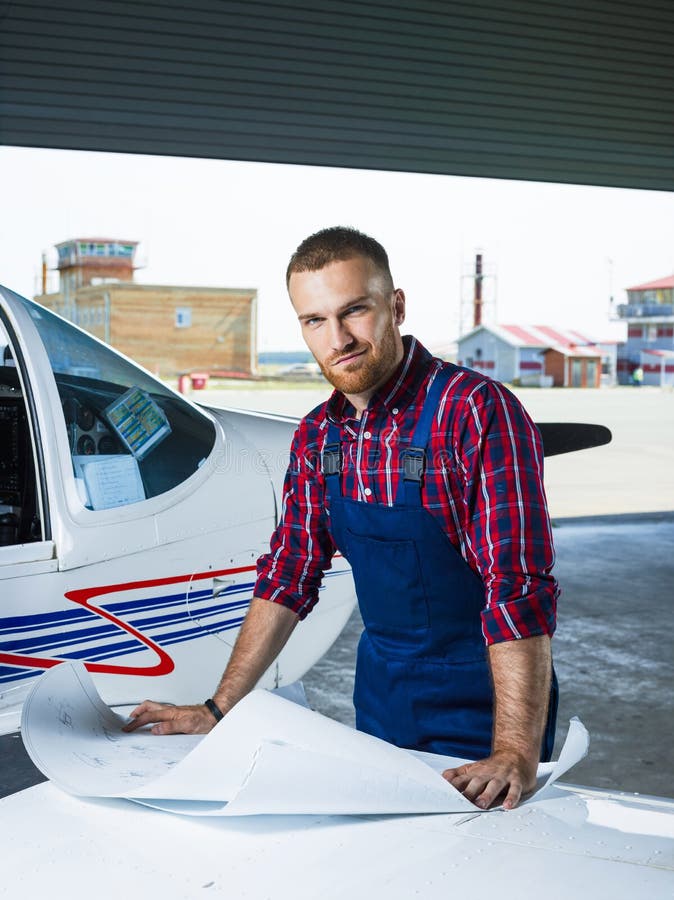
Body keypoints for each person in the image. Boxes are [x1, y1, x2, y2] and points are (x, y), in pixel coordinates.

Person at [125, 227, 559, 811]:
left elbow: (517, 588)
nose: (339, 339)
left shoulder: (477, 412)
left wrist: (513, 750)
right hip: (381, 699)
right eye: (315, 320)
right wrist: (218, 708)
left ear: (396, 306)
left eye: (354, 311)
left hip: (484, 711)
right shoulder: (317, 437)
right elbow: (288, 572)